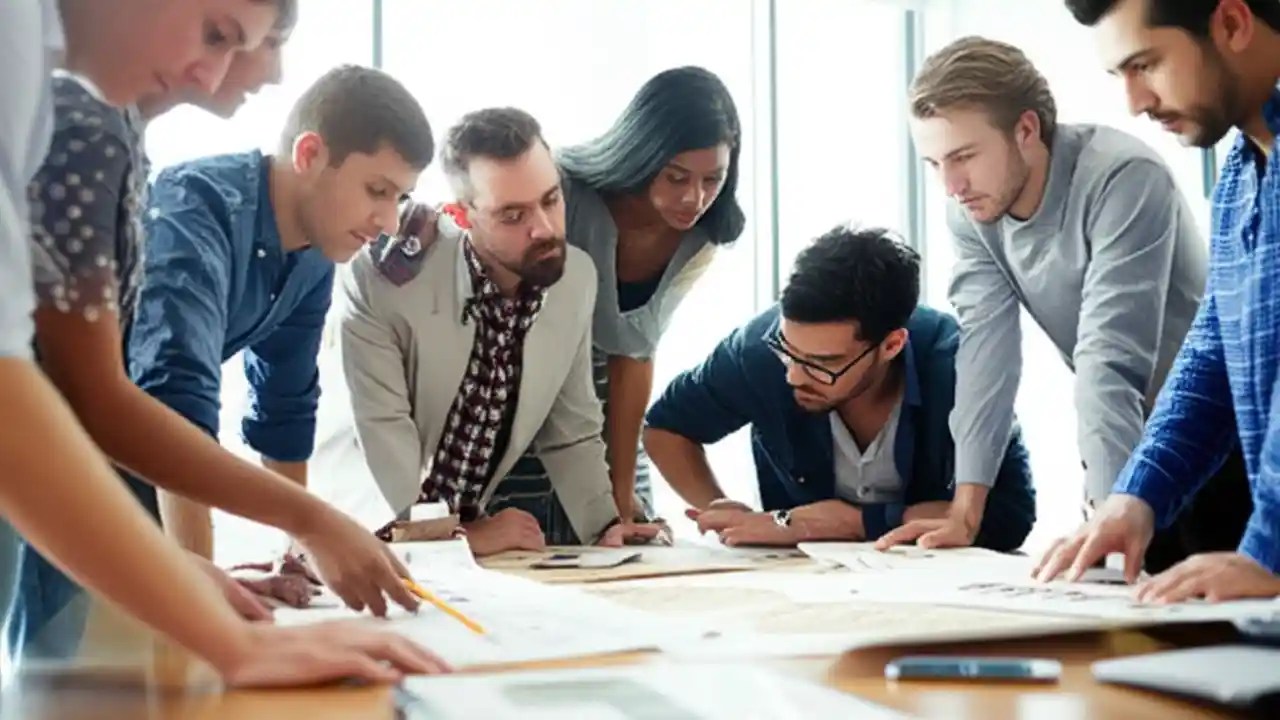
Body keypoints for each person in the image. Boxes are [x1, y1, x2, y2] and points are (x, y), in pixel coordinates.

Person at [0, 0, 444, 689]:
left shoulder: (306, 260)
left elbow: (283, 411)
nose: (220, 75)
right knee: (63, 674)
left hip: (58, 465)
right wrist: (233, 623)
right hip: (61, 474)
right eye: (223, 36)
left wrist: (255, 556)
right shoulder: (125, 153)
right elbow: (112, 397)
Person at [878, 36, 1249, 571]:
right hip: (1129, 446)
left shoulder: (1124, 178)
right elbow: (986, 354)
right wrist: (966, 510)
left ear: (1026, 129)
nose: (951, 185)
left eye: (963, 157)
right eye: (934, 163)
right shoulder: (972, 213)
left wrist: (1110, 510)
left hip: (1221, 439)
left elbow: (1108, 358)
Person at [394, 67, 745, 542]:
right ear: (641, 155)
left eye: (713, 179)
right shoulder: (559, 198)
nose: (694, 198)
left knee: (618, 543)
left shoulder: (703, 235)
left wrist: (618, 497)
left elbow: (635, 353)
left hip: (600, 424)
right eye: (676, 176)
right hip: (506, 399)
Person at [1035, 0, 1280, 603]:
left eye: (1146, 64)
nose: (1135, 102)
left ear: (1231, 24)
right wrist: (1135, 497)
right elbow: (1214, 355)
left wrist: (1267, 552)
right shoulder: (1241, 175)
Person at [339, 107, 667, 556]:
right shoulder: (383, 282)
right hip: (358, 533)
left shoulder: (575, 279)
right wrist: (457, 538)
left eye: (551, 200)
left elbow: (572, 430)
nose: (545, 229)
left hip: (465, 551)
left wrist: (606, 527)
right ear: (461, 215)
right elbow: (381, 437)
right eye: (512, 216)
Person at [644, 225, 1036, 550]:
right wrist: (720, 507)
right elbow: (666, 429)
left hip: (930, 580)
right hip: (802, 581)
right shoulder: (759, 351)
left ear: (891, 345)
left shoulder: (959, 367)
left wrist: (856, 522)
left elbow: (1010, 514)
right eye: (789, 351)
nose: (795, 375)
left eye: (824, 363)